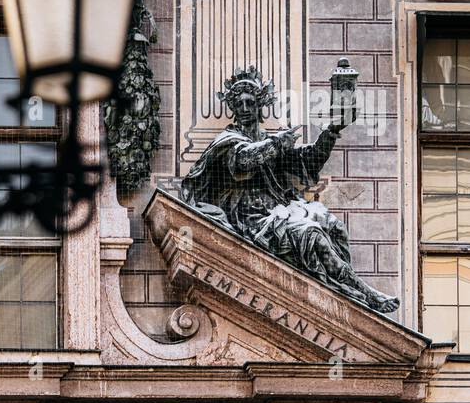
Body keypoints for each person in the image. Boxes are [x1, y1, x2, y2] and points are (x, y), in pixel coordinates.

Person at [163, 65, 398, 315]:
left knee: (335, 226)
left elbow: (308, 161)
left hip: (281, 210)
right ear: (232, 107)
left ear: (258, 104)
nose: (244, 108)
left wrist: (332, 129)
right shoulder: (227, 141)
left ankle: (348, 290)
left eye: (249, 102)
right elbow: (242, 161)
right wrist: (276, 144)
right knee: (312, 234)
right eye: (239, 103)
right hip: (252, 219)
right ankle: (365, 292)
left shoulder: (269, 139)